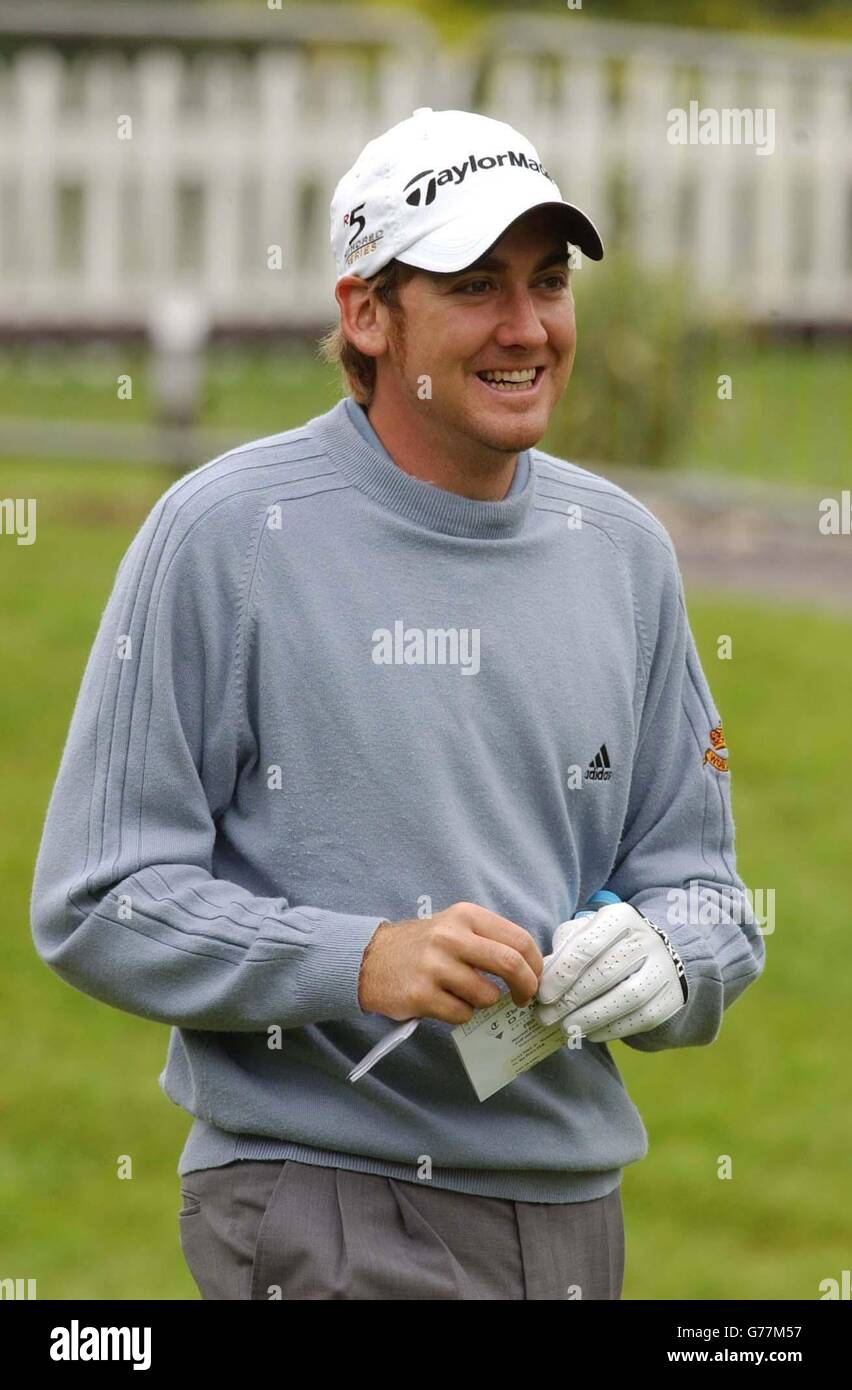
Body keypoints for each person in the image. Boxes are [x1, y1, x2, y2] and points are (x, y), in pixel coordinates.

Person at [30, 107, 765, 1301]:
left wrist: (670, 957)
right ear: (367, 315)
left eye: (548, 281)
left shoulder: (624, 550)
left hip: (578, 1217)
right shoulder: (223, 537)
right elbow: (100, 897)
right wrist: (362, 958)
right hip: (328, 1204)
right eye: (476, 286)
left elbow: (712, 897)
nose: (526, 326)